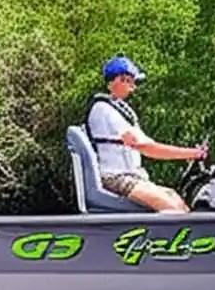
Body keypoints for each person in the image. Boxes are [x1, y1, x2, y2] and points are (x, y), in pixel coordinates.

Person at [85, 54, 207, 213]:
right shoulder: (103, 110)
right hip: (116, 178)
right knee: (173, 209)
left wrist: (190, 154)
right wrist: (189, 153)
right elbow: (145, 147)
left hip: (134, 177)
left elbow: (148, 142)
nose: (131, 86)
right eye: (125, 80)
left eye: (131, 81)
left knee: (176, 199)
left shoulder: (121, 111)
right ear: (110, 83)